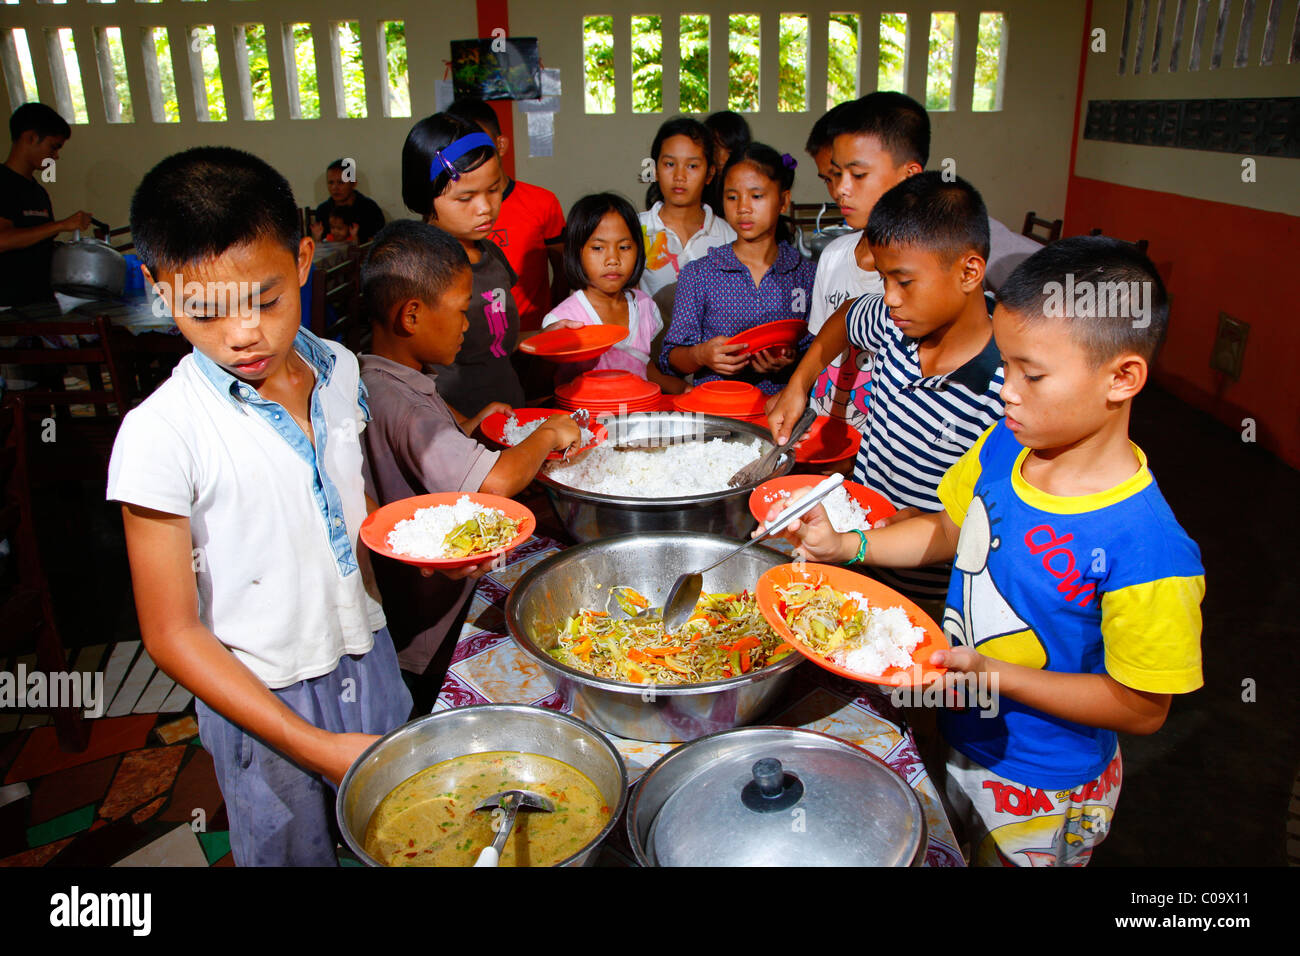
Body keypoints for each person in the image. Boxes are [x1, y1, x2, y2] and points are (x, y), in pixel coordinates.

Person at [767, 236, 1204, 867]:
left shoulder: (1150, 549)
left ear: (1122, 378)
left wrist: (997, 677)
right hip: (962, 731)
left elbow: (1141, 705)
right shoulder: (1007, 447)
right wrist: (849, 544)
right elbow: (949, 529)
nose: (1007, 389)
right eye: (1007, 365)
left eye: (1032, 373)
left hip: (1043, 782)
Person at [107, 146, 411, 866]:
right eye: (204, 311)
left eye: (267, 300)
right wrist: (311, 745)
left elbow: (353, 507)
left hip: (367, 658)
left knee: (403, 836)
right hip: (260, 699)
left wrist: (428, 557)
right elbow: (172, 633)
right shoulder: (160, 434)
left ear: (305, 258)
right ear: (159, 288)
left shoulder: (338, 368)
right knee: (291, 854)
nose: (243, 334)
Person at [358, 220, 580, 711]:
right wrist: (547, 434)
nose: (468, 325)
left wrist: (469, 427)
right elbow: (495, 482)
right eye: (461, 312)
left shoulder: (380, 375)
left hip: (431, 611)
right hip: (433, 630)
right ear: (411, 316)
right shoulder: (401, 401)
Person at [766, 172, 1006, 605]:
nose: (890, 297)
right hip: (857, 558)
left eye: (904, 281)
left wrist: (938, 523)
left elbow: (992, 516)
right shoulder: (893, 323)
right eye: (883, 280)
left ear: (969, 271)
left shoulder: (1007, 386)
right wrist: (797, 386)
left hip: (935, 592)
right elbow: (846, 316)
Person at [660, 143, 815, 396]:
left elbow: (818, 351)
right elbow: (671, 358)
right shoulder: (700, 274)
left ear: (783, 200)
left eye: (756, 196)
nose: (743, 207)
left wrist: (792, 359)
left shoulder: (806, 275)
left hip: (782, 409)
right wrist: (701, 355)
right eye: (732, 197)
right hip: (717, 411)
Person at [400, 113, 525, 412]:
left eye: (494, 190)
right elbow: (405, 373)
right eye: (466, 197)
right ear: (425, 196)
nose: (486, 208)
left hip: (508, 417)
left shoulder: (491, 254)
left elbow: (495, 342)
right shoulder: (418, 270)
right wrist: (462, 425)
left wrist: (550, 334)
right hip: (455, 435)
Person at [540, 192, 683, 393]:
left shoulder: (644, 306)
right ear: (576, 252)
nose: (613, 259)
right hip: (586, 422)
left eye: (624, 247)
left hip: (636, 417)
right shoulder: (564, 319)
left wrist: (679, 387)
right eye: (598, 248)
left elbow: (641, 364)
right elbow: (544, 383)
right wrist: (548, 345)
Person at [446, 97, 567, 333]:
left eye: (479, 143)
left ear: (500, 145)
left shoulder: (542, 202)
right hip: (470, 343)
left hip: (534, 336)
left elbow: (563, 274)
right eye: (460, 146)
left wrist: (550, 324)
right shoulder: (448, 214)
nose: (471, 155)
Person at [638, 117, 736, 316]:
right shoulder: (636, 229)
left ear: (709, 174)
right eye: (669, 164)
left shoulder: (728, 237)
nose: (679, 176)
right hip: (650, 346)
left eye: (692, 166)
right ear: (655, 169)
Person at [0, 103, 91, 307]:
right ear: (30, 138)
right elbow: (2, 239)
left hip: (39, 300)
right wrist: (60, 225)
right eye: (53, 146)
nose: (56, 156)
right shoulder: (3, 183)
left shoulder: (38, 191)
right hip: (8, 307)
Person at [311, 157, 384, 243]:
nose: (335, 188)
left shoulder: (369, 208)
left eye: (341, 182)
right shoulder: (323, 210)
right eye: (331, 183)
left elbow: (378, 241)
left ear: (353, 183)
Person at [702, 110, 752, 218]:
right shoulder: (699, 186)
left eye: (728, 152)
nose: (720, 159)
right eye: (715, 150)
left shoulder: (750, 186)